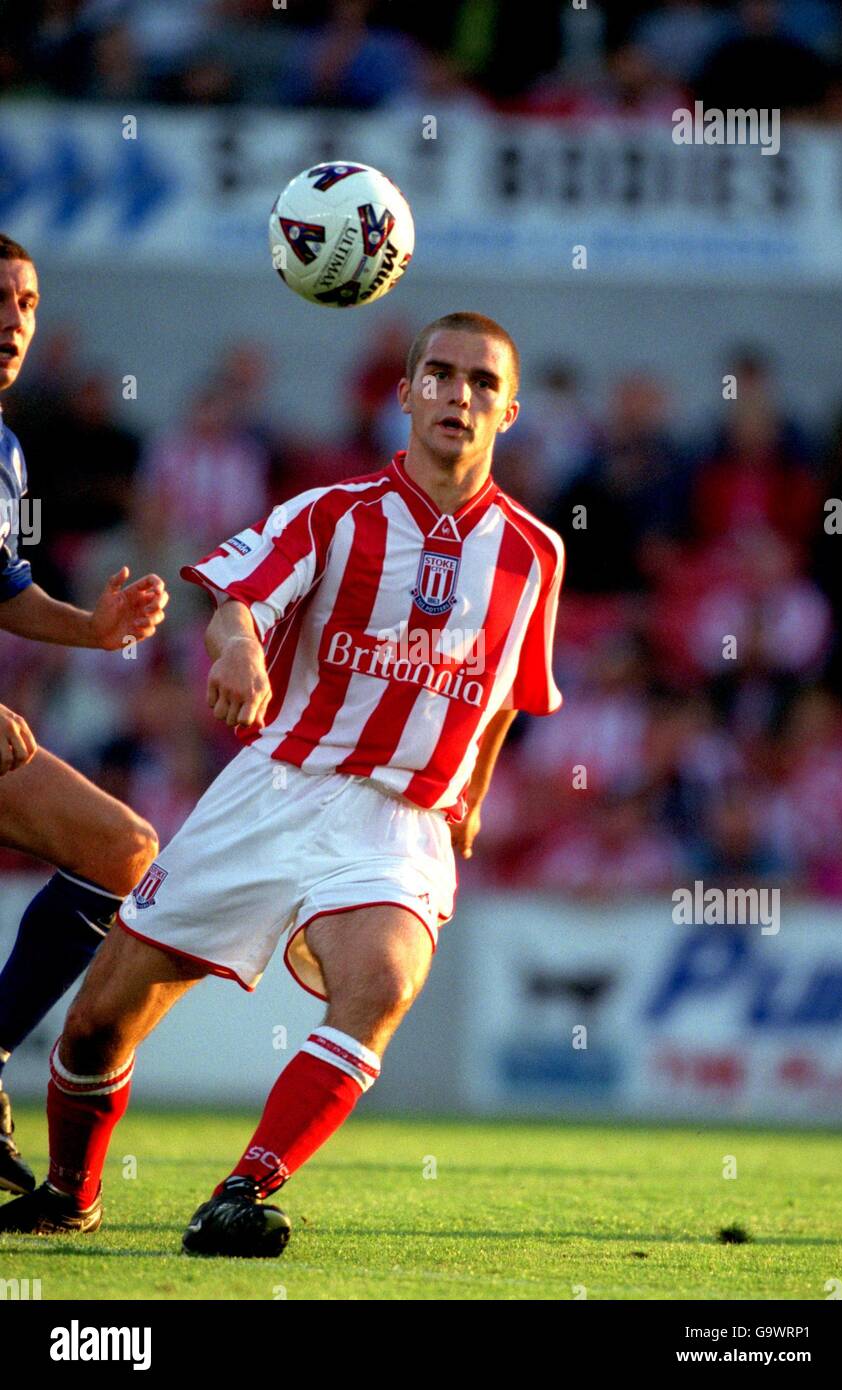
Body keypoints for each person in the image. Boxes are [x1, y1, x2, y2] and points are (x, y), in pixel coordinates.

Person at [0, 311, 565, 1256]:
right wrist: (242, 654)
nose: (456, 395)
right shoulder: (328, 513)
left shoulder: (534, 553)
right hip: (274, 789)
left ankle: (243, 1191)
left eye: (479, 383)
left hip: (400, 816)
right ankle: (71, 1190)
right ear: (406, 392)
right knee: (99, 1023)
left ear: (508, 411)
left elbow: (508, 692)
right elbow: (234, 603)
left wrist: (469, 795)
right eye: (438, 374)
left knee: (381, 981)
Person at [0, 233, 168, 1194]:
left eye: (26, 302)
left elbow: (7, 590)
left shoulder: (7, 449)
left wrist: (94, 630)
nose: (12, 321)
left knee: (120, 851)